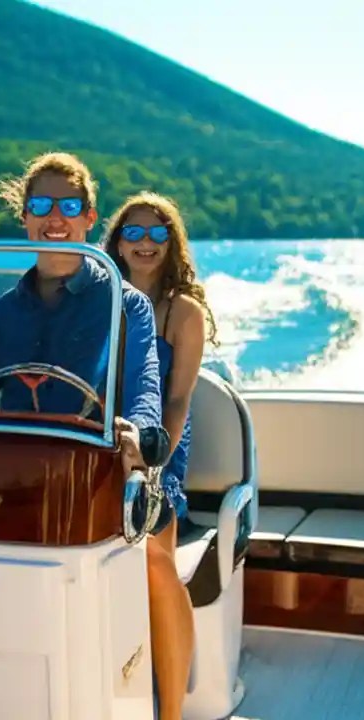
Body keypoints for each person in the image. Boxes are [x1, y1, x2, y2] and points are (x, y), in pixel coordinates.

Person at [0, 153, 194, 720]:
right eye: (40, 204)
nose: (53, 216)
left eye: (68, 205)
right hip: (23, 484)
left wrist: (140, 435)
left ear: (88, 217)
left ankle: (172, 712)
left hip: (105, 478)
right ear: (25, 217)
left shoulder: (126, 304)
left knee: (154, 563)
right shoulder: (0, 313)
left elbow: (146, 390)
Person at [104, 192, 219, 539]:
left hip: (159, 438)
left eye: (157, 234)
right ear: (119, 243)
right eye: (134, 233)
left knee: (142, 522)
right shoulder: (97, 302)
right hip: (106, 431)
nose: (146, 243)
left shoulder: (183, 312)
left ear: (171, 244)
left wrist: (152, 463)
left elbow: (178, 399)